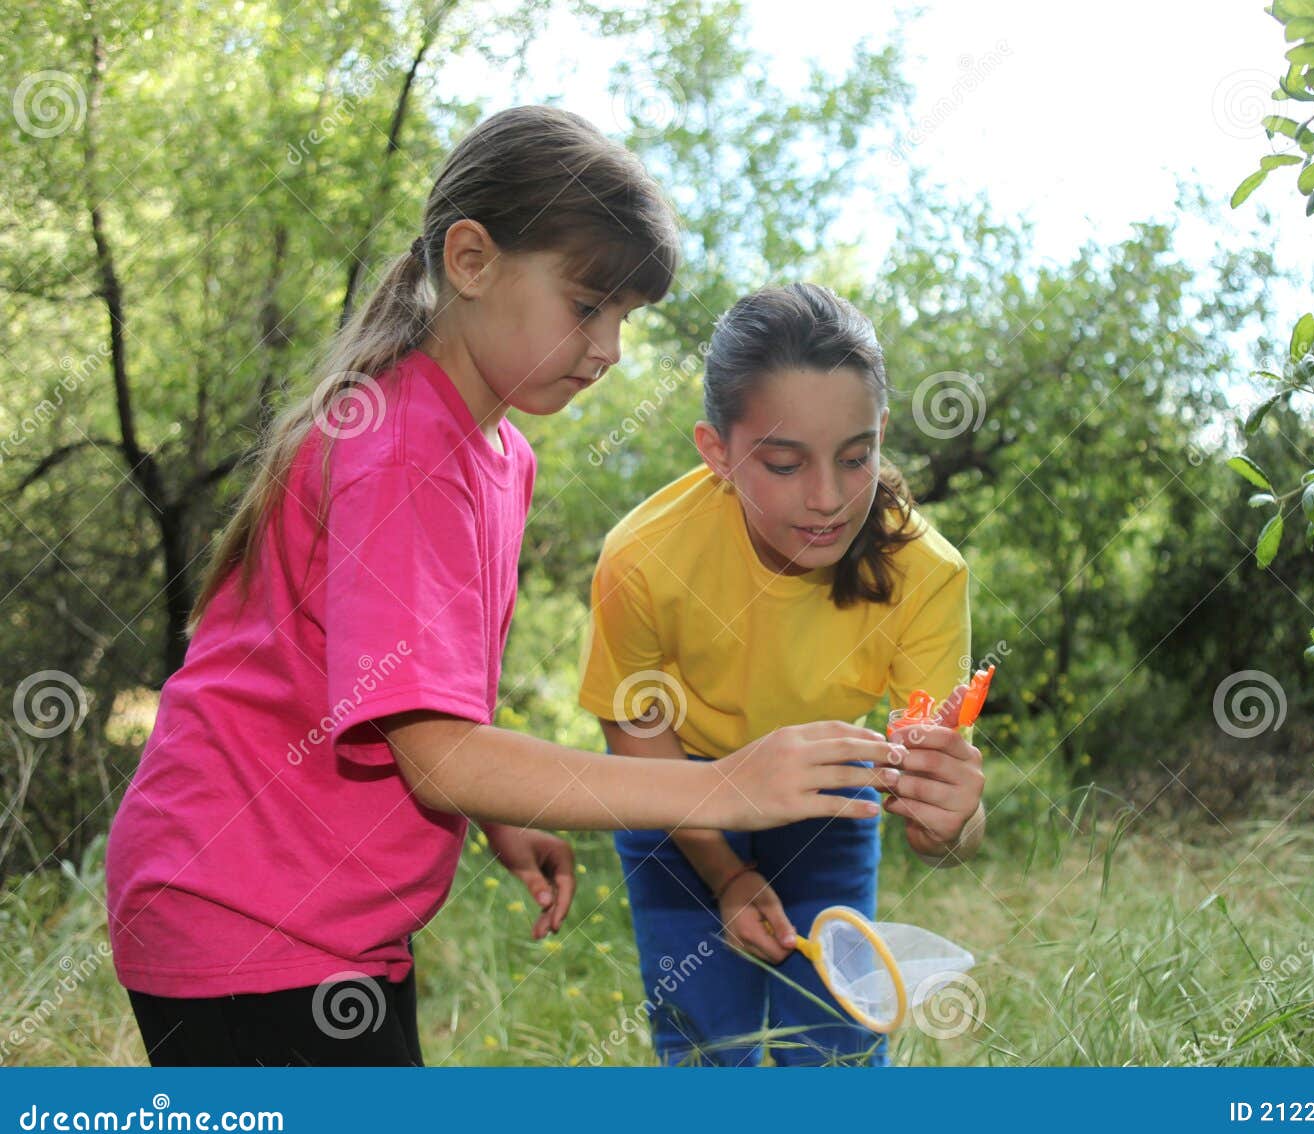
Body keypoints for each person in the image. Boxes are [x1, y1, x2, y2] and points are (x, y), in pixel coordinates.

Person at [105, 111, 898, 1067]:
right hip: (243, 906)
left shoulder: (499, 455)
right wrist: (726, 785)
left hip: (328, 915)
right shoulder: (399, 451)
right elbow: (439, 757)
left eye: (624, 317)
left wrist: (499, 809)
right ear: (472, 260)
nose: (609, 348)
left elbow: (417, 697)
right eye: (587, 305)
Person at [580, 283, 986, 1066]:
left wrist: (953, 820)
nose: (828, 499)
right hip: (680, 786)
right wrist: (725, 873)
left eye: (855, 457)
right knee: (707, 1043)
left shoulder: (929, 573)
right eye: (784, 462)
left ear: (881, 435)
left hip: (828, 798)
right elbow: (634, 729)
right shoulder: (643, 557)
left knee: (836, 1041)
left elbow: (945, 820)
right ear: (717, 451)